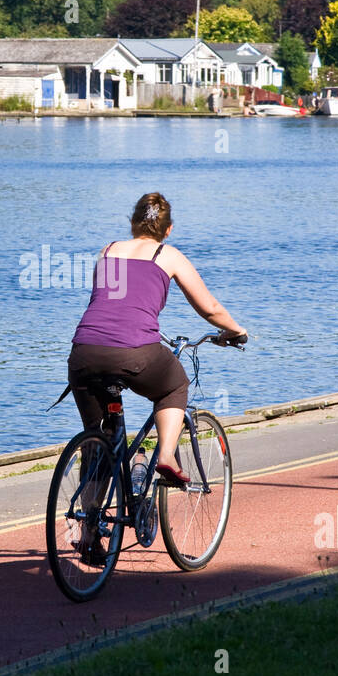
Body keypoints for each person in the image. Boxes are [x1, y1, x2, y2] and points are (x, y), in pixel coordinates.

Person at [67, 192, 246, 492]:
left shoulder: (107, 251)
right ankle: (166, 456)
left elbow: (105, 306)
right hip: (135, 351)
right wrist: (237, 330)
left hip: (84, 353)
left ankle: (88, 529)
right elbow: (210, 309)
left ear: (133, 223)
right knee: (175, 384)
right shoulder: (168, 255)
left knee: (100, 441)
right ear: (168, 230)